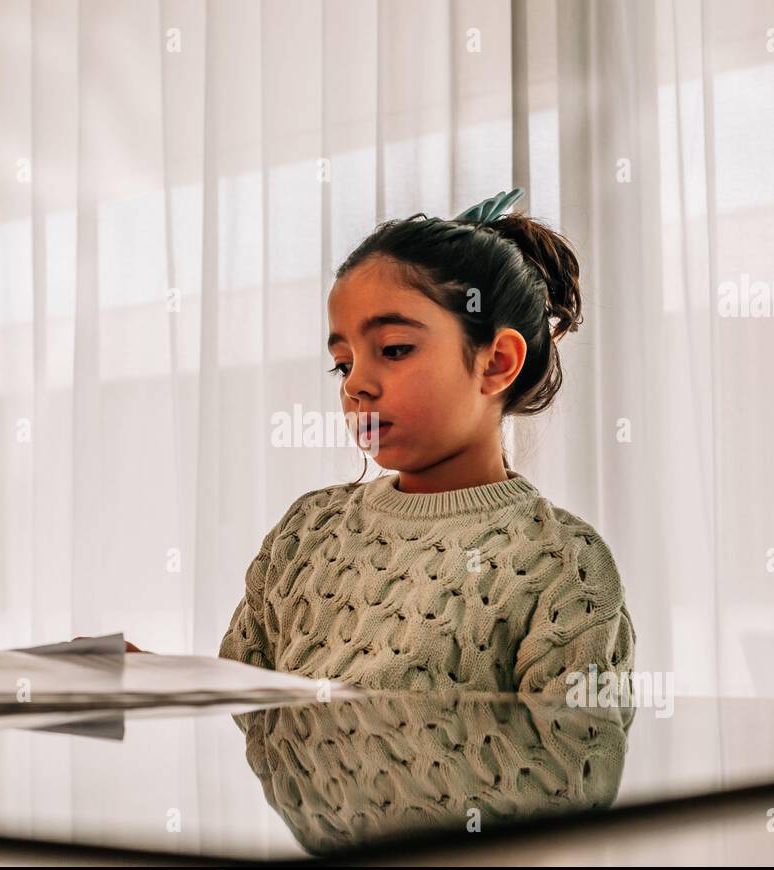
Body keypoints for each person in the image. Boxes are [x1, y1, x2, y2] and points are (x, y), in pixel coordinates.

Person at [211, 189, 636, 696]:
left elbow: (576, 759)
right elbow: (241, 711)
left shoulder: (561, 563)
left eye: (393, 349)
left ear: (497, 362)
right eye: (343, 363)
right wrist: (152, 676)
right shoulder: (305, 534)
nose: (354, 385)